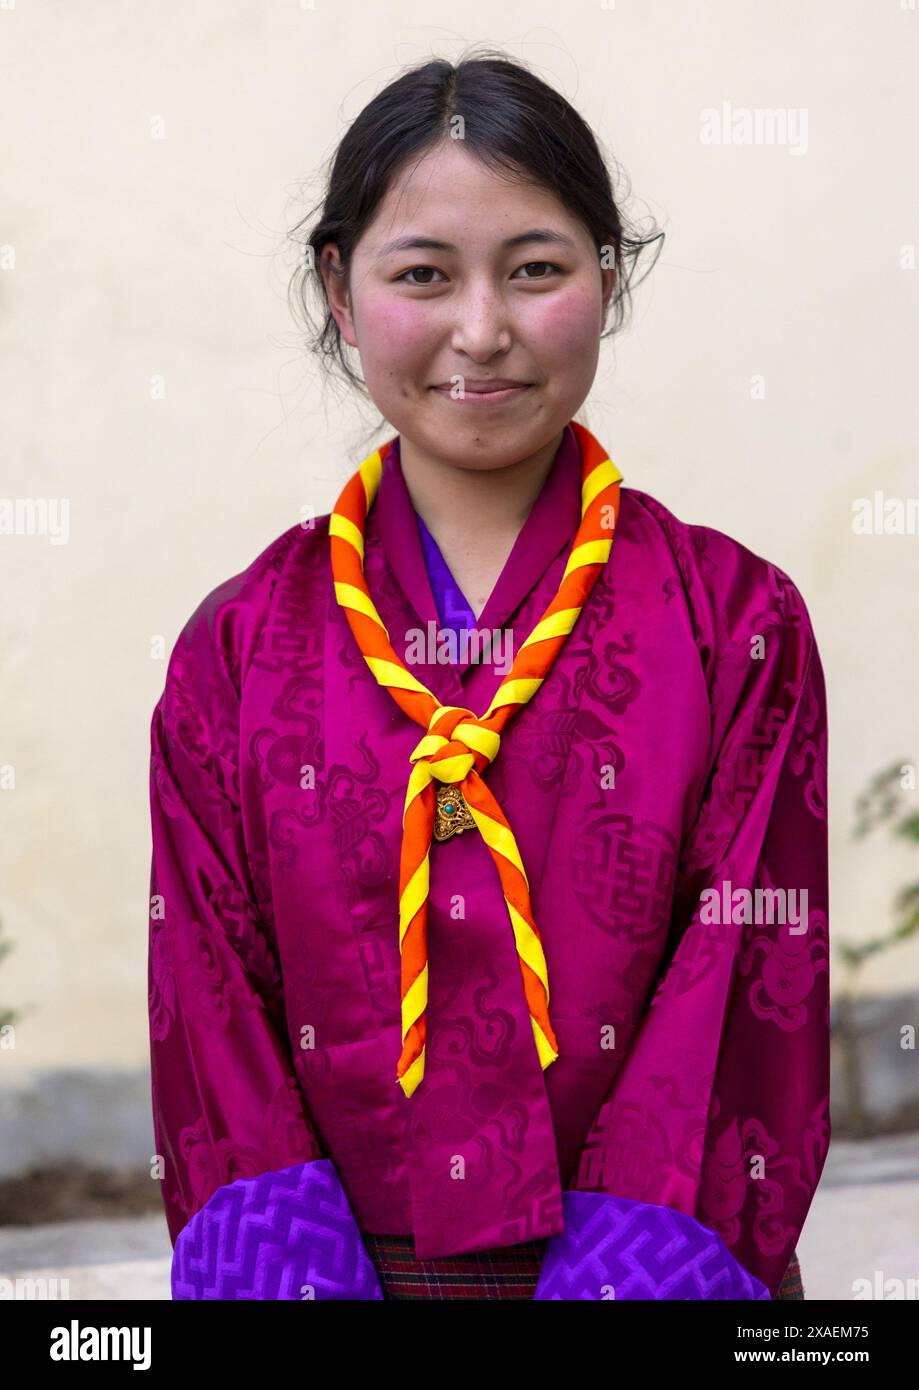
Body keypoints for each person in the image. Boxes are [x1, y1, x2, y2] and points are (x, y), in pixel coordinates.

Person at [147, 50, 829, 1301]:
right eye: (422, 275)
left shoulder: (733, 623)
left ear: (607, 279)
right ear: (339, 293)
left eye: (536, 268)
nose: (482, 330)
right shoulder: (237, 650)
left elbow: (737, 987)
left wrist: (636, 1270)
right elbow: (209, 999)